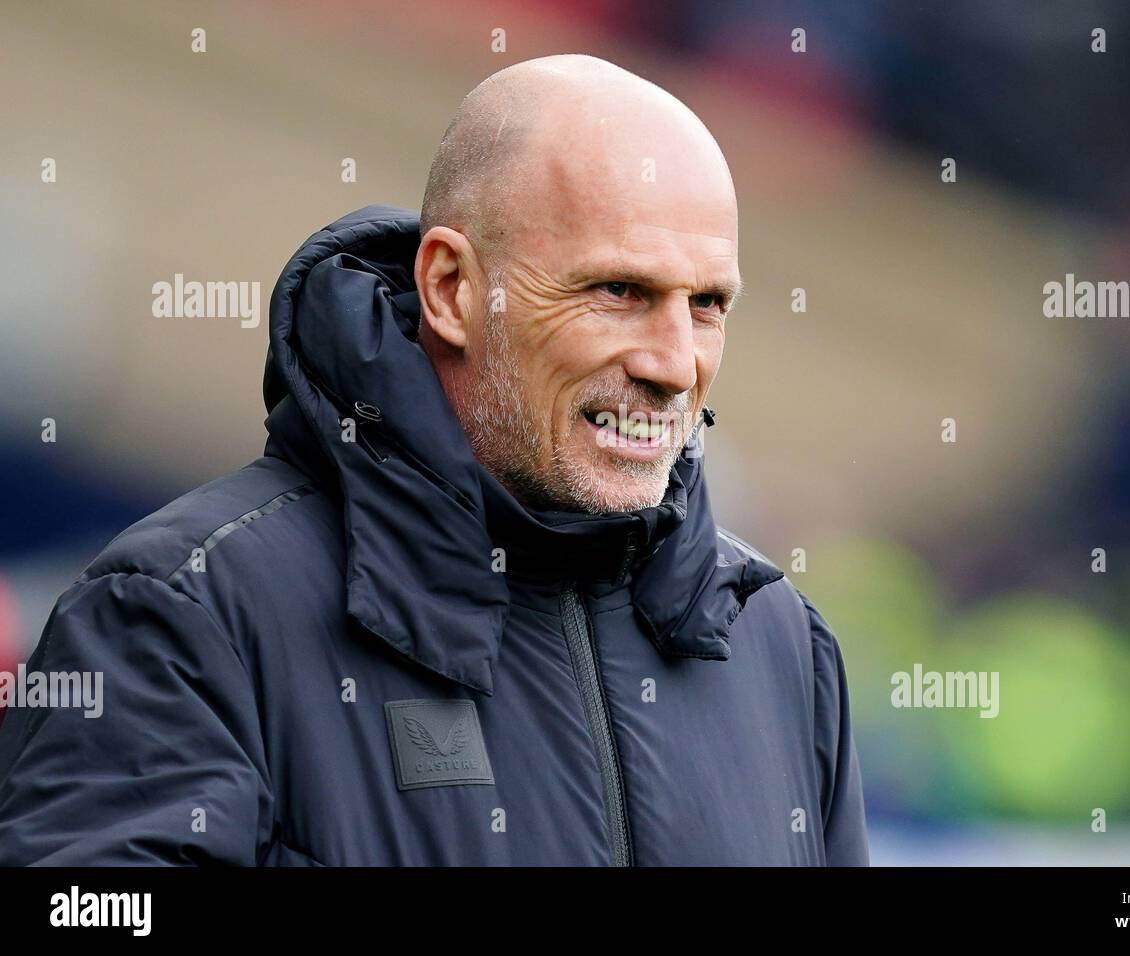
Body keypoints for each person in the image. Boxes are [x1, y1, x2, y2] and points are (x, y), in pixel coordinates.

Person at [0, 54, 869, 865]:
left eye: (708, 304)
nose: (675, 363)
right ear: (451, 288)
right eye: (619, 291)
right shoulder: (186, 612)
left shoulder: (784, 649)